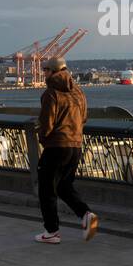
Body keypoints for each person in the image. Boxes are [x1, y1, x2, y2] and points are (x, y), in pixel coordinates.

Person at [34, 56, 99, 244]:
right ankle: (86, 215)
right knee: (63, 186)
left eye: (45, 70)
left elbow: (47, 123)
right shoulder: (78, 92)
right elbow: (84, 118)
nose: (43, 73)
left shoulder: (51, 93)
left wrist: (43, 138)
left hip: (56, 146)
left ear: (53, 71)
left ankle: (51, 231)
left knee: (46, 189)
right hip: (75, 146)